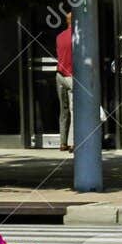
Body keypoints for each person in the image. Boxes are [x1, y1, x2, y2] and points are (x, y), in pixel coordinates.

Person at [55, 24, 73, 153]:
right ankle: (74, 143)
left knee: (64, 111)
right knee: (74, 110)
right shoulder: (78, 36)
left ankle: (63, 142)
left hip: (59, 75)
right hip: (72, 76)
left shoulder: (59, 36)